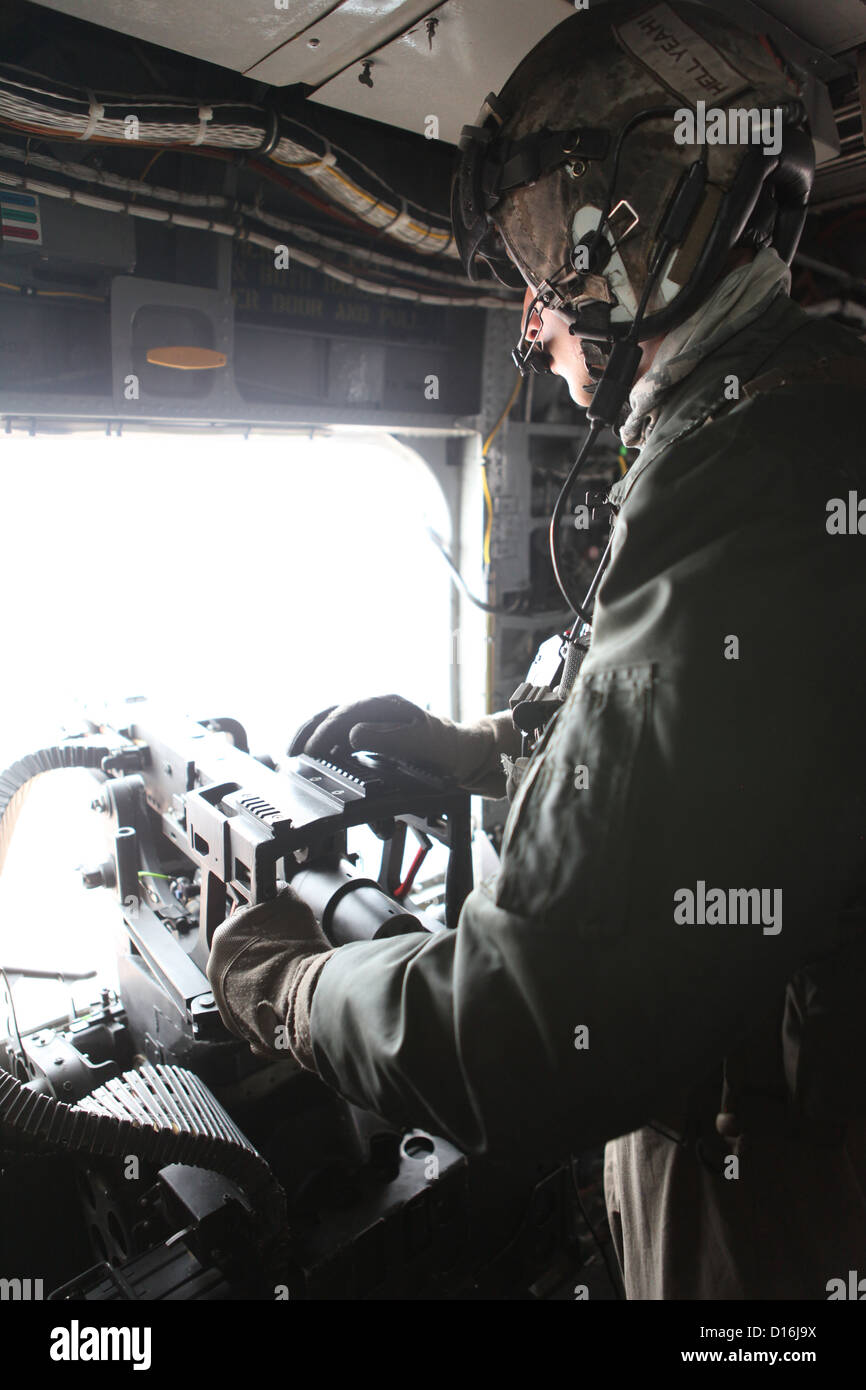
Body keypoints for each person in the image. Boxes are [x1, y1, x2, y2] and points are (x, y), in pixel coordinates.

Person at [208, 0, 866, 1299]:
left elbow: (524, 1037)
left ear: (644, 227)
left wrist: (289, 988)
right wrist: (476, 745)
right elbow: (697, 754)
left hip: (782, 1179)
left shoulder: (750, 487)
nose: (531, 311)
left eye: (540, 247)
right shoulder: (788, 416)